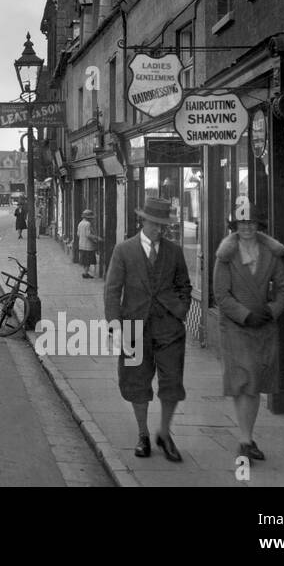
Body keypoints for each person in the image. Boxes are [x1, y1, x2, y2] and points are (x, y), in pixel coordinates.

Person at [104, 195, 192, 462]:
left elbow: (185, 286)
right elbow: (112, 291)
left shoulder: (174, 251)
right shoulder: (124, 251)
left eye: (162, 225)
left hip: (169, 330)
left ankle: (164, 433)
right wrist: (115, 325)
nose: (158, 229)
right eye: (154, 223)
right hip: (134, 329)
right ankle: (143, 434)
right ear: (143, 220)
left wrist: (181, 309)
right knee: (136, 383)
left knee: (172, 383)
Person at [213, 205, 284, 462]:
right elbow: (221, 295)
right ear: (235, 227)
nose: (246, 228)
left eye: (251, 223)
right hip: (236, 327)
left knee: (255, 383)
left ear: (258, 226)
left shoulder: (270, 253)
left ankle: (248, 437)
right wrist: (246, 315)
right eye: (241, 224)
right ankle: (245, 440)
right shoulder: (226, 255)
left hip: (264, 327)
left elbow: (283, 290)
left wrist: (271, 311)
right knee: (243, 380)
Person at [77, 210, 99, 278]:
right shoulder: (88, 224)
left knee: (84, 260)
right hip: (88, 245)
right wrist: (96, 238)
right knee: (88, 261)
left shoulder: (80, 223)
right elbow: (88, 235)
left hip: (81, 244)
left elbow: (78, 234)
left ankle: (85, 272)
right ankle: (86, 273)